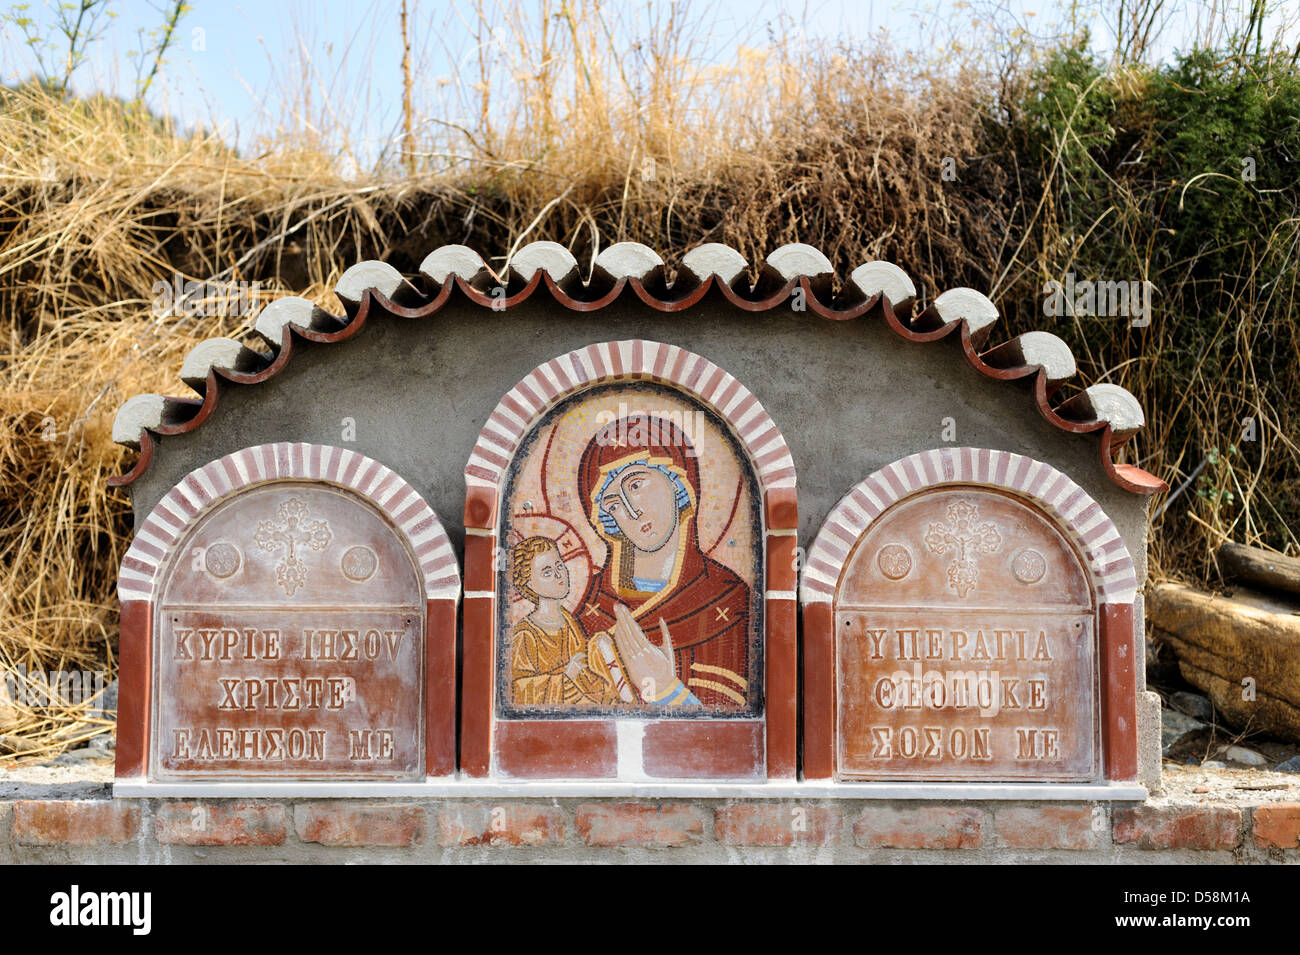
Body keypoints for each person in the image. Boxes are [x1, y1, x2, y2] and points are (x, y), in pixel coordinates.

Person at [575, 415, 752, 708]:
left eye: (636, 485)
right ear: (607, 521)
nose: (632, 512)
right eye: (614, 505)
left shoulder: (727, 600)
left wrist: (667, 691)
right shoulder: (592, 605)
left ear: (678, 482)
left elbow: (730, 739)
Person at [508, 535, 632, 706]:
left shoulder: (567, 620)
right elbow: (517, 691)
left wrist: (598, 650)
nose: (559, 575)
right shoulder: (525, 634)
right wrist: (565, 676)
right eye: (547, 572)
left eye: (559, 566)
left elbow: (586, 672)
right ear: (528, 584)